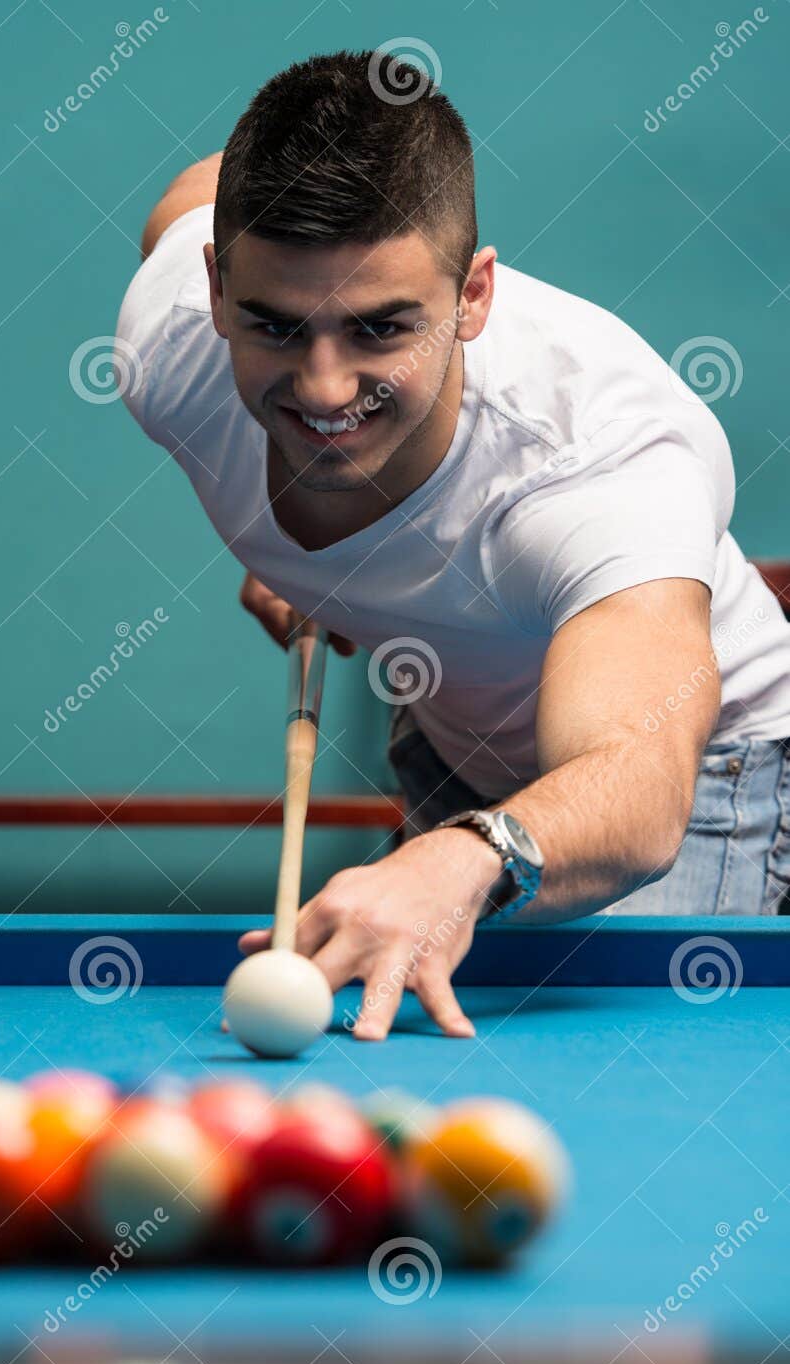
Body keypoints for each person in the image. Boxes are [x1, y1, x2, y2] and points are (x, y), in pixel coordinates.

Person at [116, 49, 790, 1041]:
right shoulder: (170, 350)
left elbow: (639, 786)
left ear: (474, 295)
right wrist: (319, 566)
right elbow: (193, 192)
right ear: (215, 287)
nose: (324, 388)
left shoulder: (595, 465)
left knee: (623, 1103)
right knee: (426, 1082)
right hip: (451, 721)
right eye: (276, 326)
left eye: (382, 330)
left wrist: (468, 853)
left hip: (700, 769)